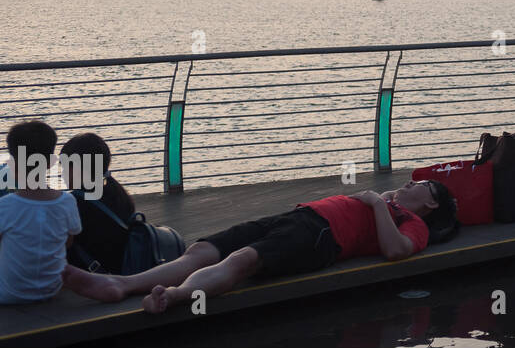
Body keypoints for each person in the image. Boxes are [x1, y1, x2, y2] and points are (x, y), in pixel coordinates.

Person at [64, 179, 457, 314]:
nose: (410, 183)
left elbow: (396, 251)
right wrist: (384, 198)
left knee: (243, 260)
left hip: (321, 237)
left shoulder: (414, 223)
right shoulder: (393, 201)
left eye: (419, 185)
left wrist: (375, 202)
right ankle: (122, 284)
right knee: (201, 250)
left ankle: (176, 295)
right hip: (298, 217)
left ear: (432, 201)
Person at [0, 122, 81, 305]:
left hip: (7, 294)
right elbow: (68, 241)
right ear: (51, 162)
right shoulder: (67, 202)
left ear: (13, 163)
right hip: (51, 289)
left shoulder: (5, 206)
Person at [60, 133, 136, 273]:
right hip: (121, 265)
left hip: (92, 273)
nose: (62, 173)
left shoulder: (74, 202)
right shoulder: (117, 191)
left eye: (65, 167)